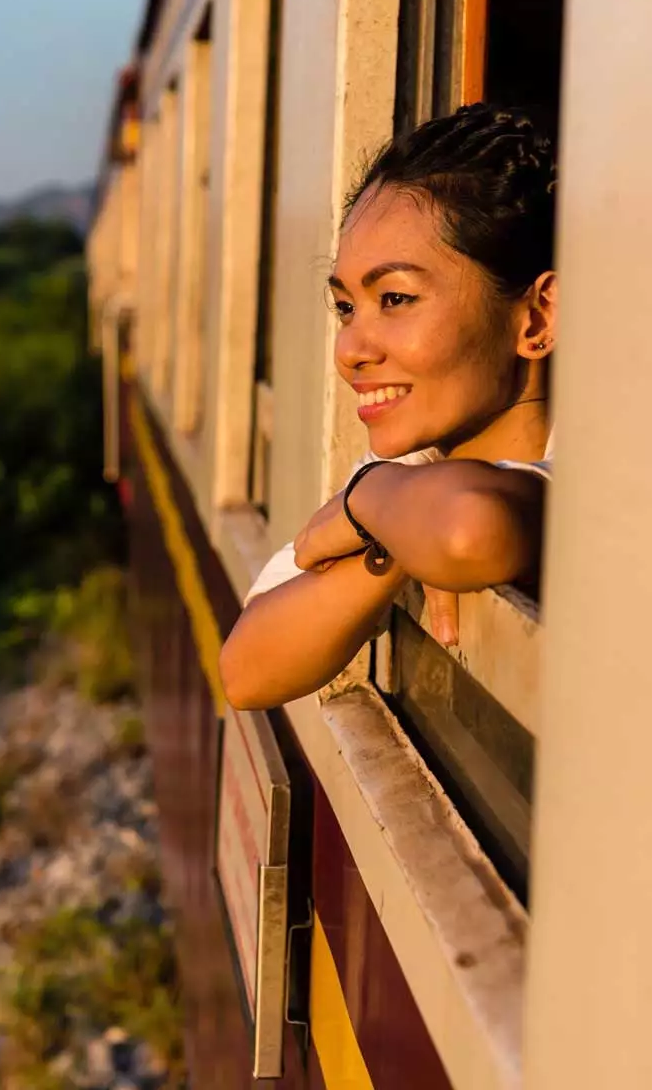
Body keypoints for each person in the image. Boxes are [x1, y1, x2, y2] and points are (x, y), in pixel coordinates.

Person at [219, 102, 557, 711]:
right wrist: (399, 540)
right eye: (347, 307)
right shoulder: (414, 485)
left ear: (536, 318)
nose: (349, 349)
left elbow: (465, 531)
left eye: (396, 298)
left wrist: (368, 501)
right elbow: (245, 673)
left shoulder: (582, 482)